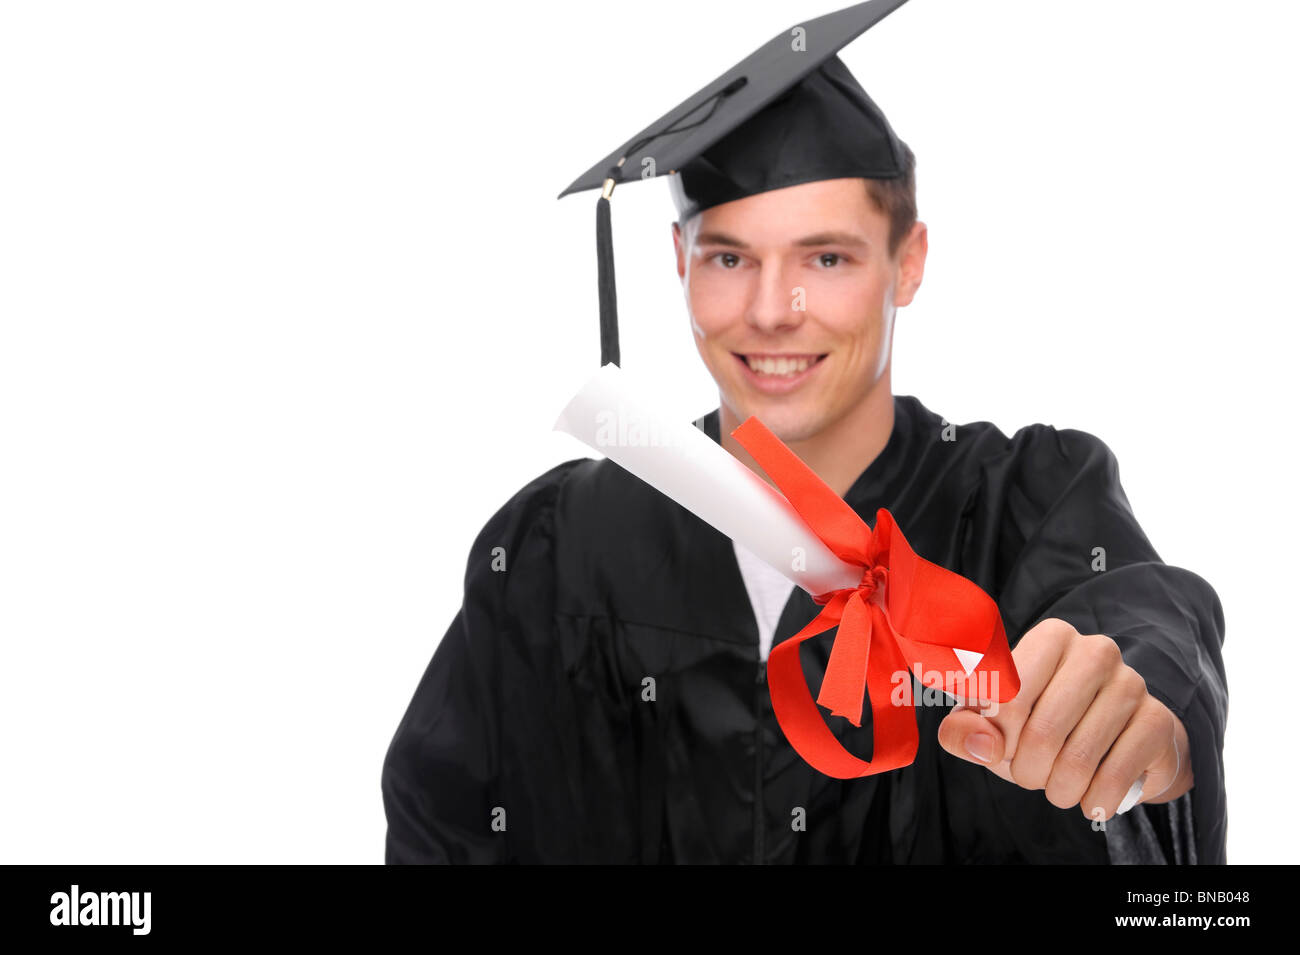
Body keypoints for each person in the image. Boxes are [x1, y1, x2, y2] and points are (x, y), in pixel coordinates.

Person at [381, 0, 1227, 864]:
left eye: (826, 258)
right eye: (729, 256)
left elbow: (1144, 614)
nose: (769, 311)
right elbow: (441, 828)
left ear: (909, 262)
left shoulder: (1024, 500)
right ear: (678, 260)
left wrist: (1139, 707)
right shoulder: (556, 545)